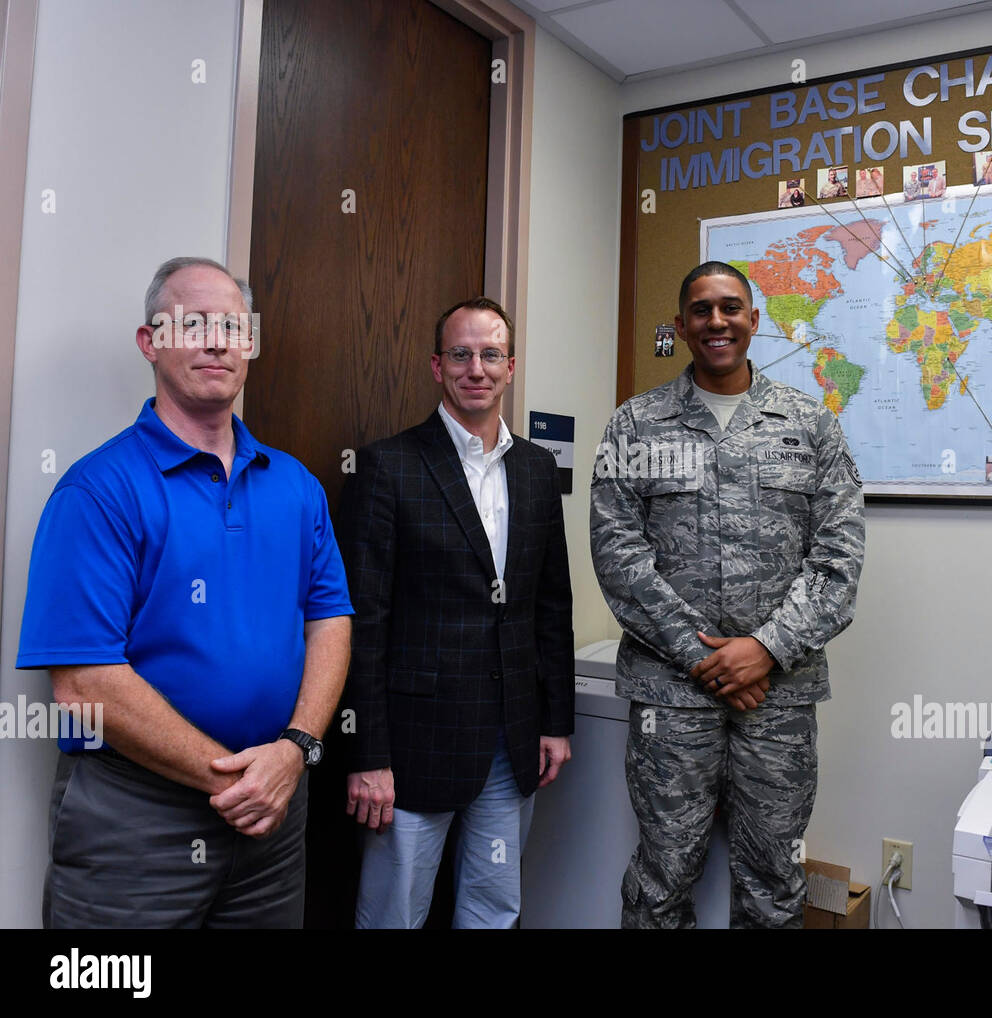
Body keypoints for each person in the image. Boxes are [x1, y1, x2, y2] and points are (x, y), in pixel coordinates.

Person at [16, 256, 354, 928]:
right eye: (192, 323)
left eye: (232, 325)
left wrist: (295, 751)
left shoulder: (296, 487)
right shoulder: (98, 490)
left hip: (276, 817)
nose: (216, 340)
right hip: (137, 821)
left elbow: (330, 621)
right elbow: (83, 684)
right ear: (152, 343)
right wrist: (238, 780)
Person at [590, 261, 866, 928]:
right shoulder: (636, 425)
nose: (718, 322)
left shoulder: (810, 424)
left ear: (755, 320)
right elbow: (617, 556)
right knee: (662, 875)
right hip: (671, 697)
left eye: (732, 308)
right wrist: (704, 657)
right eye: (703, 310)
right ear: (682, 325)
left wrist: (765, 650)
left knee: (775, 877)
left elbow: (839, 558)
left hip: (780, 696)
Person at [340, 296, 574, 929]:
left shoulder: (535, 469)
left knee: (494, 910)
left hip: (511, 740)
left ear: (511, 366)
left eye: (490, 354)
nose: (477, 368)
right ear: (436, 367)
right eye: (461, 354)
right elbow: (362, 621)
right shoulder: (386, 467)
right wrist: (367, 754)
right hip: (413, 747)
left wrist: (555, 721)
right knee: (395, 913)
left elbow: (551, 605)